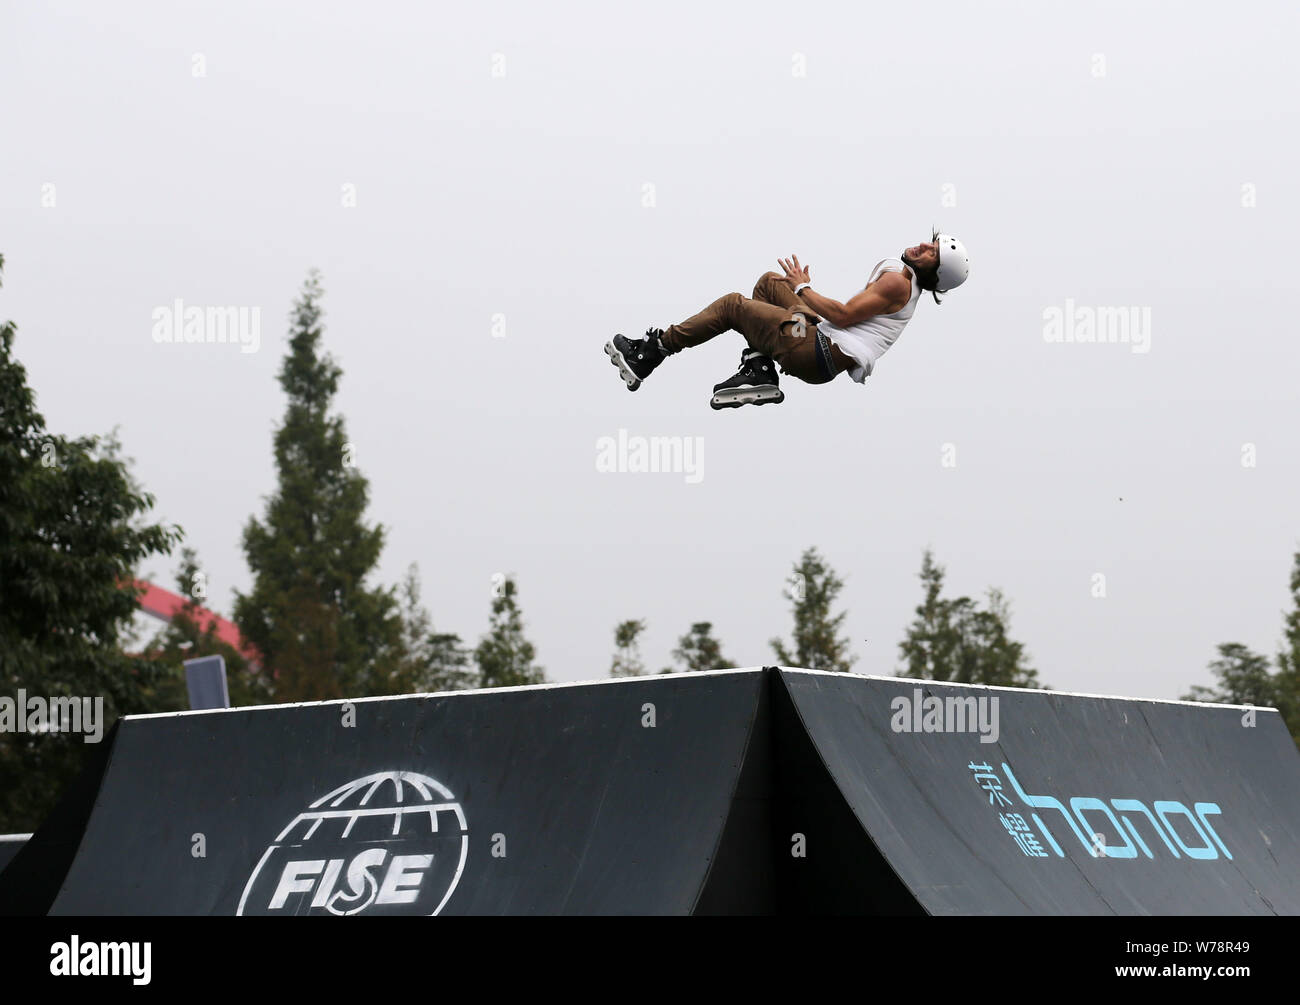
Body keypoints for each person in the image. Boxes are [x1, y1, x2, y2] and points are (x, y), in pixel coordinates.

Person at [604, 232, 970, 409]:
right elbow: (841, 318)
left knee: (733, 306)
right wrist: (797, 292)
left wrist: (805, 288)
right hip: (814, 340)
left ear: (933, 275)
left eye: (930, 255)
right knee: (770, 284)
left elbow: (841, 314)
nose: (923, 248)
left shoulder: (898, 282)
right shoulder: (904, 280)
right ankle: (760, 368)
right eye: (930, 243)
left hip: (812, 350)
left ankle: (651, 353)